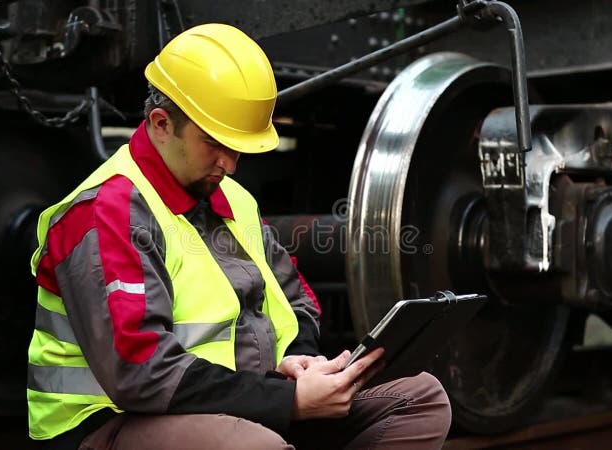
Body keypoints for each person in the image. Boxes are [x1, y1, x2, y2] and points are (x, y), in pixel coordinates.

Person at [26, 23, 451, 450]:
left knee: (420, 399)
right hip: (110, 423)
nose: (229, 165)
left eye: (237, 148)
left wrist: (298, 360)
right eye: (215, 143)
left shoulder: (233, 197)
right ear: (161, 124)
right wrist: (287, 401)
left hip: (235, 405)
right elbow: (140, 372)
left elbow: (296, 299)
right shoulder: (105, 211)